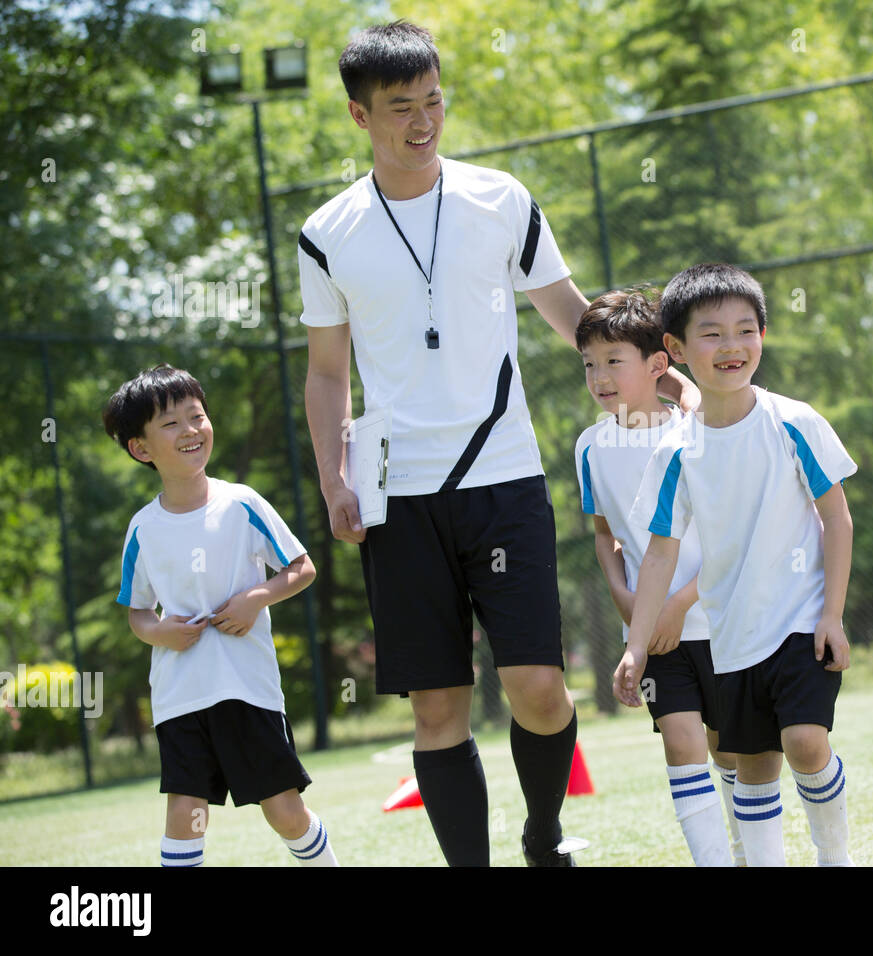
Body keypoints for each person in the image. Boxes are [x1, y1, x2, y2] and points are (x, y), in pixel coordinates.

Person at [297, 21, 696, 867]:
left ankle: (543, 836)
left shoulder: (501, 199)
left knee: (540, 692)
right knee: (437, 709)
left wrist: (658, 373)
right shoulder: (326, 232)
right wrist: (334, 475)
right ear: (358, 115)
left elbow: (570, 313)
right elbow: (327, 373)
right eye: (401, 107)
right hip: (397, 497)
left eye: (434, 101)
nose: (423, 121)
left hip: (504, 480)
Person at [613, 263, 857, 867]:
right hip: (733, 637)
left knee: (805, 743)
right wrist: (636, 646)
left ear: (763, 337)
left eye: (746, 330)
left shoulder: (794, 422)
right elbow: (660, 554)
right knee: (753, 769)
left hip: (801, 621)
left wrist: (833, 615)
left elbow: (839, 520)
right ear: (674, 350)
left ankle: (837, 858)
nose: (732, 346)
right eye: (712, 333)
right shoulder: (675, 451)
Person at [105, 364, 337, 867]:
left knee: (285, 812)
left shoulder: (242, 504)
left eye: (197, 416)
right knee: (187, 814)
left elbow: (302, 568)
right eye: (170, 423)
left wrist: (257, 597)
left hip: (247, 688)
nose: (190, 430)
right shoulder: (142, 529)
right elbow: (138, 613)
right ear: (140, 448)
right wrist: (160, 633)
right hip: (180, 697)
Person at [574, 288, 744, 866]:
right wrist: (629, 604)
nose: (599, 377)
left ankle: (747, 852)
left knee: (731, 751)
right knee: (681, 741)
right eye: (589, 364)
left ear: (655, 366)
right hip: (653, 632)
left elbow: (731, 536)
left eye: (613, 361)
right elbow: (605, 535)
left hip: (717, 617)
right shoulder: (589, 447)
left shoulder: (695, 431)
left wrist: (677, 606)